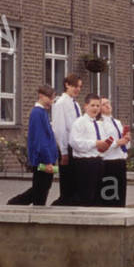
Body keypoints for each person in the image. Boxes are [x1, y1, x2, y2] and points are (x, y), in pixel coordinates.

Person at [7, 86, 58, 206]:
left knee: (43, 186)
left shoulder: (42, 112)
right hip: (42, 159)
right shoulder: (37, 113)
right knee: (40, 187)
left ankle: (28, 206)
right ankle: (16, 203)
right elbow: (40, 139)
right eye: (50, 98)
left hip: (46, 158)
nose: (51, 101)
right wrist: (47, 160)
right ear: (41, 96)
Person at [68, 93, 114, 206]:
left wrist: (105, 145)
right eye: (92, 105)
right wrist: (95, 143)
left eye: (98, 106)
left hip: (98, 161)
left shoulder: (98, 124)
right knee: (85, 196)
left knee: (97, 196)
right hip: (85, 163)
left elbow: (102, 141)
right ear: (85, 106)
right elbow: (75, 143)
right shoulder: (79, 123)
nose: (95, 108)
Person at [50, 74, 83, 206]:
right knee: (67, 183)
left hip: (76, 147)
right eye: (75, 86)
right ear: (67, 85)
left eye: (79, 87)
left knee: (75, 182)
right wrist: (63, 151)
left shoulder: (76, 104)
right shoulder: (60, 103)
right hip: (67, 147)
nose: (77, 89)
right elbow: (59, 129)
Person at [98, 97, 131, 207]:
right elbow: (103, 144)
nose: (108, 105)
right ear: (99, 108)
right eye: (104, 104)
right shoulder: (100, 123)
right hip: (109, 161)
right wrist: (118, 142)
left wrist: (126, 140)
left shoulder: (117, 122)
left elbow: (125, 144)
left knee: (121, 194)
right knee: (111, 194)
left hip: (120, 160)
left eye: (108, 102)